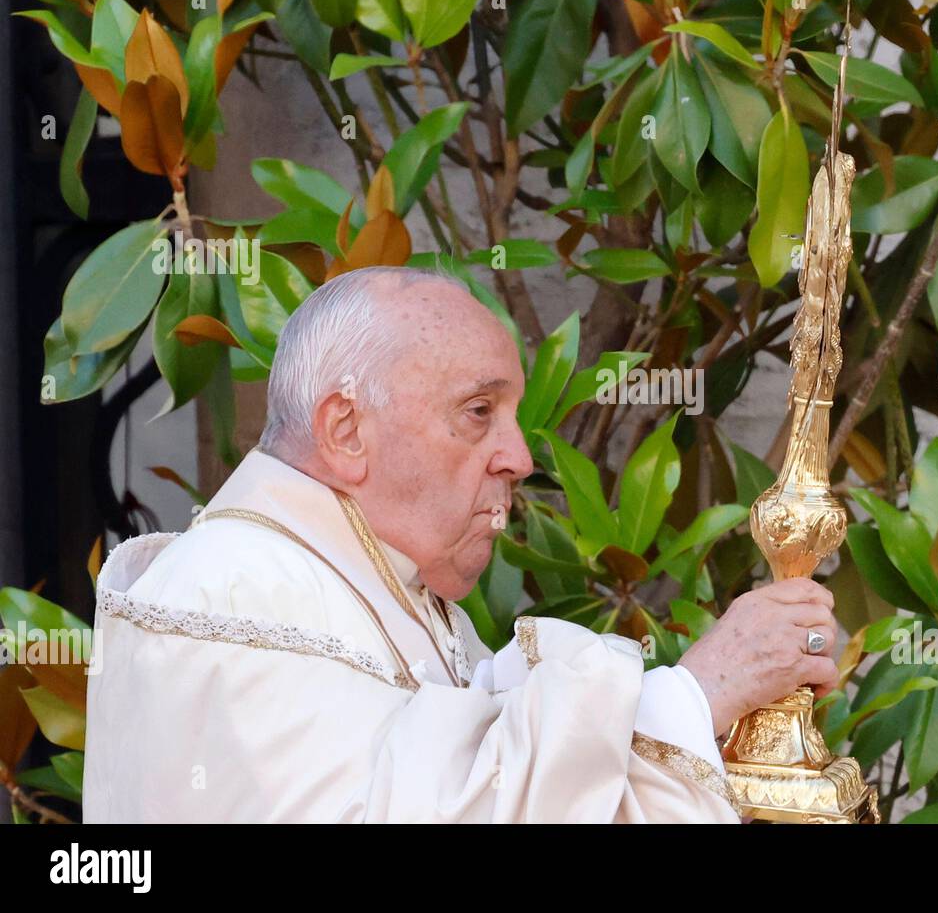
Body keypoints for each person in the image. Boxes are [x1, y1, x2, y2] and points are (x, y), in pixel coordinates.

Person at [83, 266, 840, 822]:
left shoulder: (383, 584)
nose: (518, 455)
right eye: (478, 411)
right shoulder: (232, 593)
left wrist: (712, 713)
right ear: (346, 430)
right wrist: (698, 691)